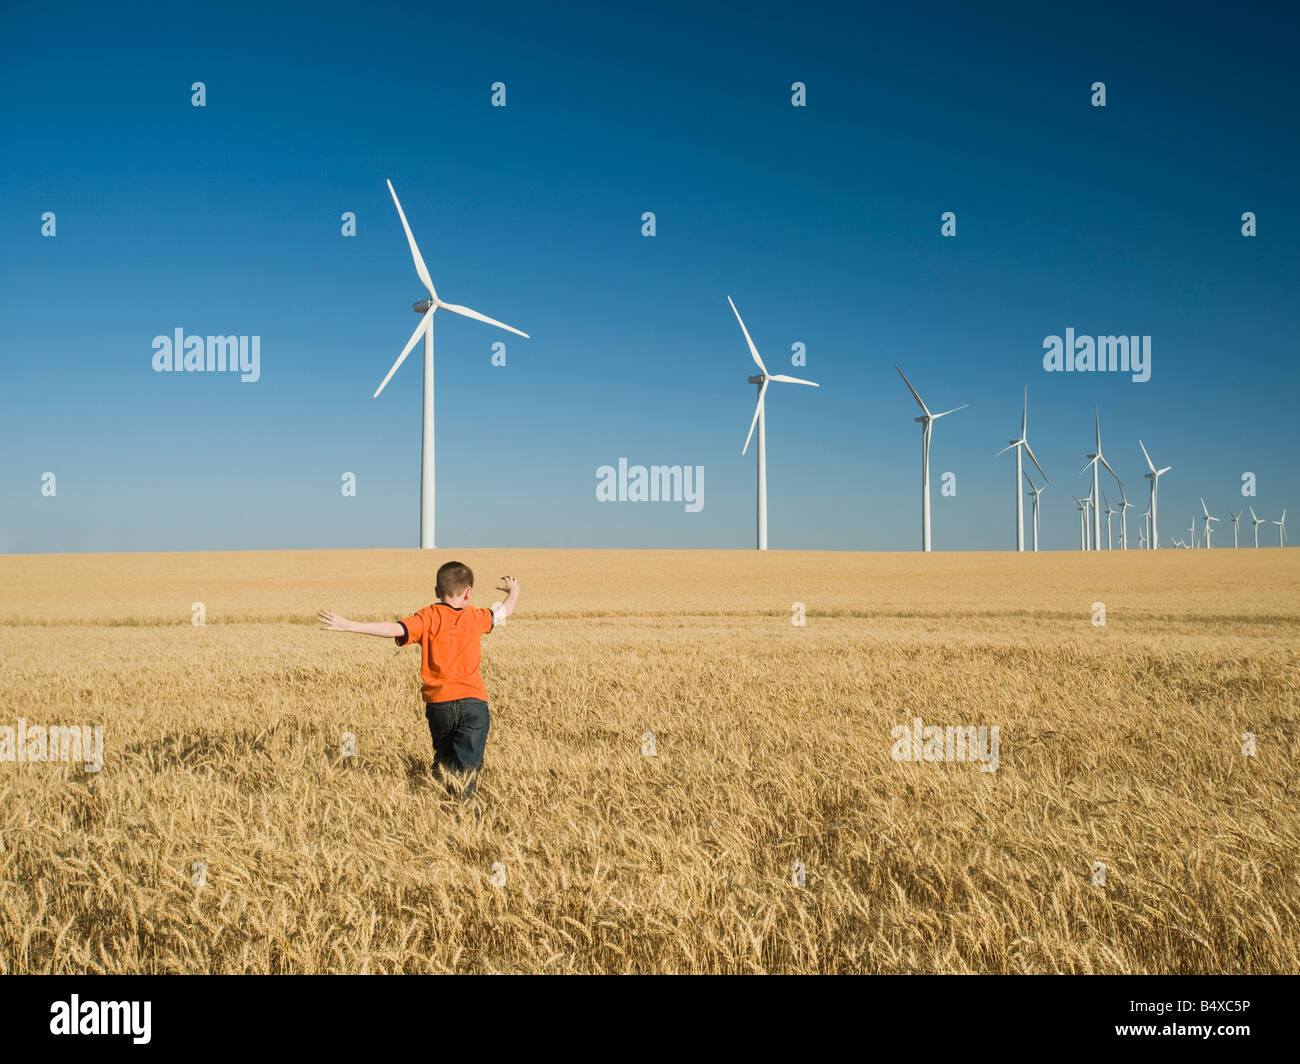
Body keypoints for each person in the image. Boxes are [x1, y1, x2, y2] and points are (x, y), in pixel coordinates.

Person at [317, 561, 519, 800]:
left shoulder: (428, 617)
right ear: (468, 593)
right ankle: (462, 816)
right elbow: (503, 612)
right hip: (474, 702)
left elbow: (395, 629)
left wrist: (349, 625)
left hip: (440, 705)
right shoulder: (475, 617)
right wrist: (513, 591)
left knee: (444, 761)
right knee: (467, 769)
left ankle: (436, 806)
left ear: (436, 591)